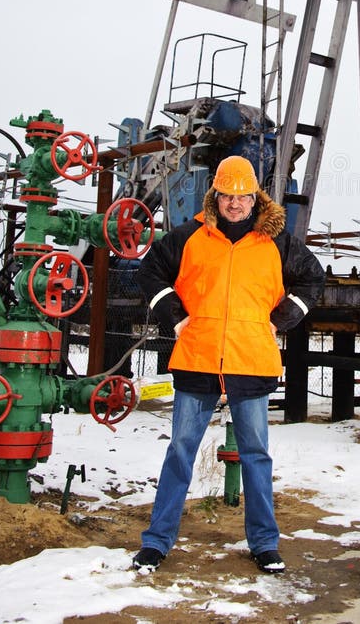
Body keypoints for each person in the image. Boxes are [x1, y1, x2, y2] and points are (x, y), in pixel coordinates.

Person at [132, 155, 325, 575]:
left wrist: (279, 320)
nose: (234, 204)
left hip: (252, 361)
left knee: (255, 454)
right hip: (197, 358)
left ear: (255, 197)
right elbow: (149, 273)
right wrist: (177, 317)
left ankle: (264, 543)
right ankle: (157, 542)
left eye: (243, 196)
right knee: (180, 451)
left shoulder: (278, 243)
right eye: (227, 196)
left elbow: (313, 278)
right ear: (214, 195)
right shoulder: (187, 238)